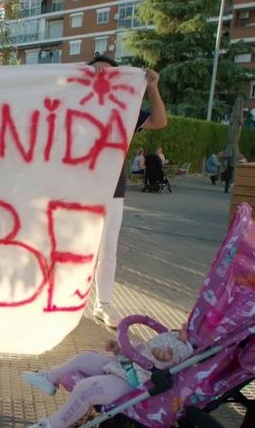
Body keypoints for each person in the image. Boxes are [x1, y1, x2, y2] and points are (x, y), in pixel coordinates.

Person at [88, 55, 167, 329]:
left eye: (110, 74)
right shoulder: (71, 105)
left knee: (107, 249)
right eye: (98, 73)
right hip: (75, 191)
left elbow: (159, 121)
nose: (104, 77)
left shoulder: (124, 109)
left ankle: (103, 303)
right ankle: (62, 302)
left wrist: (152, 87)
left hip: (111, 190)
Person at [23, 328, 193, 428]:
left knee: (86, 389)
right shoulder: (171, 335)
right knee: (85, 357)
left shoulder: (184, 351)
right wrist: (119, 349)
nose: (185, 324)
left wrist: (164, 361)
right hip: (123, 365)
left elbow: (170, 373)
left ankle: (52, 424)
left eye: (190, 326)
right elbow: (142, 349)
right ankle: (49, 379)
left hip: (132, 381)